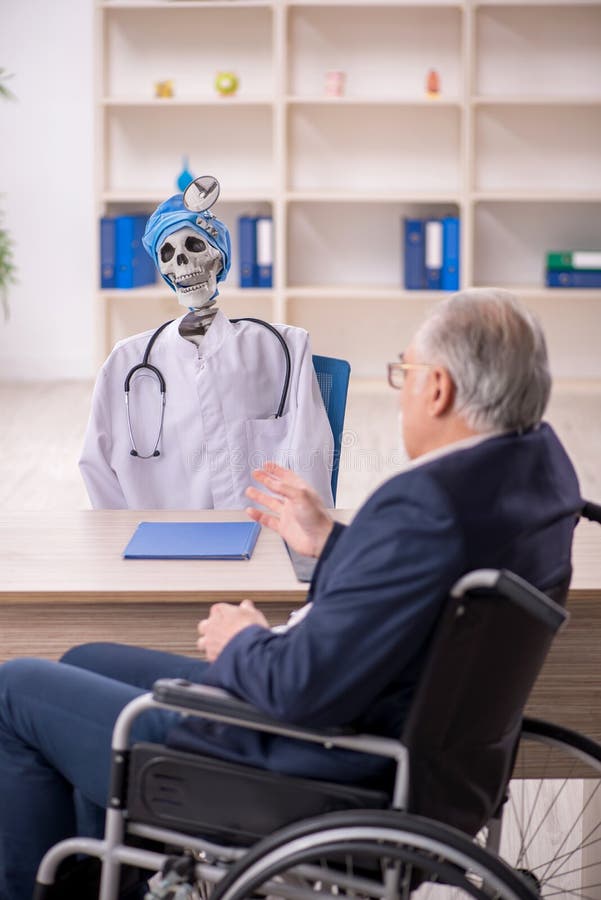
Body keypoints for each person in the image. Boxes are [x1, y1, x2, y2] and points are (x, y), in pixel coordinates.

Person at [0, 289, 582, 900]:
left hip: (307, 767)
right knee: (84, 661)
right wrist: (332, 541)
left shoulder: (424, 503)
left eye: (403, 372)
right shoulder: (534, 472)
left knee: (15, 691)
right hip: (424, 758)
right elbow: (424, 579)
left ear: (437, 388)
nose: (400, 388)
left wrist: (241, 640)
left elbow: (298, 688)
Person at [79, 192, 334, 510]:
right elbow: (96, 467)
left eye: (194, 246)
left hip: (263, 536)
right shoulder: (125, 362)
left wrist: (313, 544)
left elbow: (311, 454)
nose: (181, 261)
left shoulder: (285, 349)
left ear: (220, 259)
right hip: (161, 546)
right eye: (168, 254)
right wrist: (121, 541)